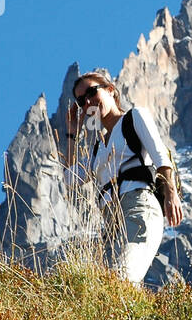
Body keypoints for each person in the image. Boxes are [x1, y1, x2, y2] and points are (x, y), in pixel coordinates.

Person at [61, 73, 182, 287]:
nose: (88, 101)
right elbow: (69, 180)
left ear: (110, 89)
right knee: (109, 289)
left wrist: (170, 192)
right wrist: (72, 133)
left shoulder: (134, 117)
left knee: (122, 279)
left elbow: (159, 154)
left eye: (91, 92)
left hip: (138, 205)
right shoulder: (97, 148)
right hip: (111, 222)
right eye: (81, 101)